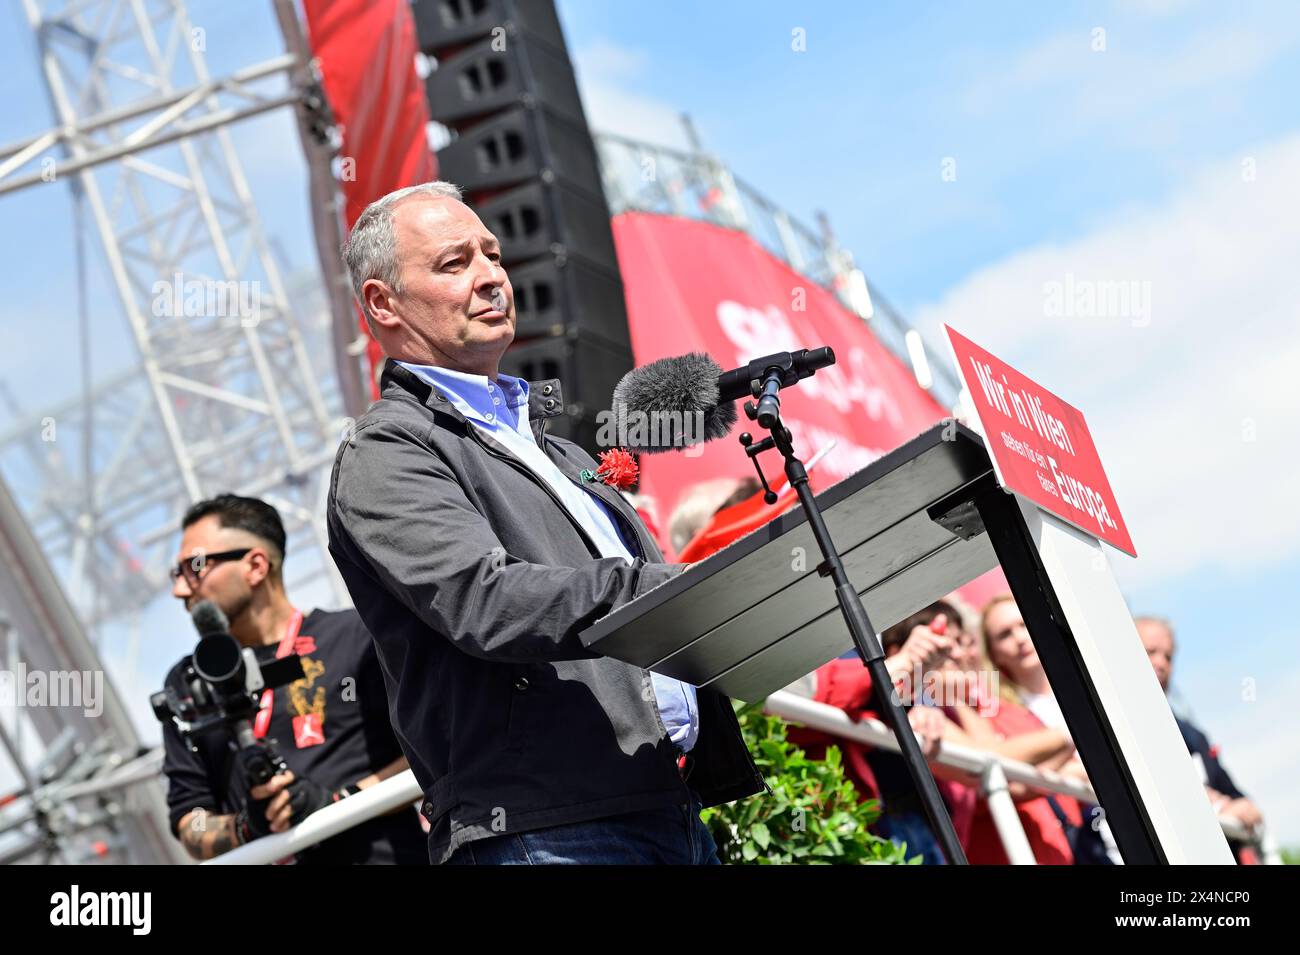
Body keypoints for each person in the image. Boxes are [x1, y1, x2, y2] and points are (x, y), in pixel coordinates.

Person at [327, 181, 763, 865]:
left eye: (493, 255)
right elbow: (483, 599)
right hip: (545, 829)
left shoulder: (559, 450)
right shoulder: (386, 451)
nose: (491, 276)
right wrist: (669, 591)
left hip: (666, 807)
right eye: (454, 263)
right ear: (382, 303)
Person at [160, 494, 427, 863]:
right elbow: (191, 824)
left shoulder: (358, 636)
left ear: (255, 565)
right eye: (177, 573)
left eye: (195, 567)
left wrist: (336, 802)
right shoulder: (186, 682)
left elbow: (431, 754)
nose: (180, 590)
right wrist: (245, 828)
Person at [1136, 615, 1263, 860]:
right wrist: (1214, 805)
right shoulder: (1111, 723)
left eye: (1168, 656)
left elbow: (1239, 799)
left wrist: (1243, 808)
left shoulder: (1195, 737)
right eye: (1150, 651)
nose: (1161, 663)